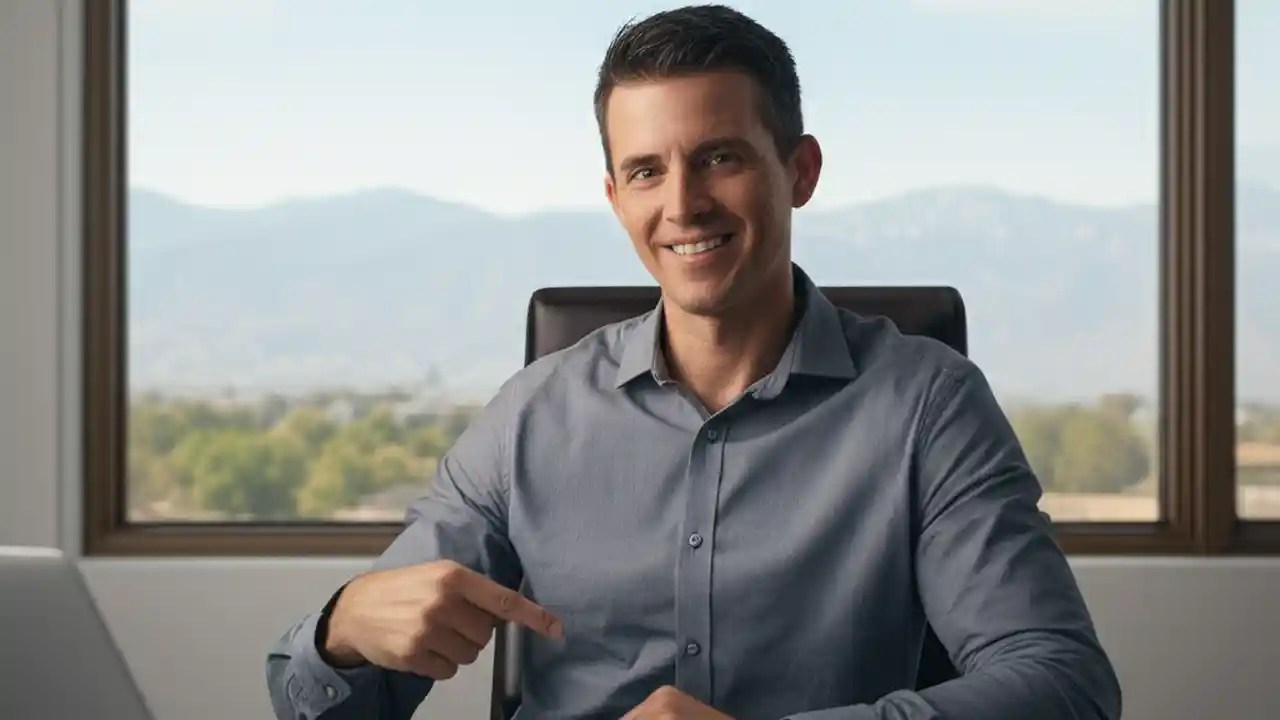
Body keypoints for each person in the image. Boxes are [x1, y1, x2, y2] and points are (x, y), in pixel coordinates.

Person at [265, 5, 1122, 719]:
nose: (682, 205)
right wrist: (341, 630)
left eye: (719, 157)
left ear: (800, 169)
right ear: (614, 198)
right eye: (645, 171)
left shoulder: (928, 406)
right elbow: (319, 697)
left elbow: (1063, 685)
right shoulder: (532, 415)